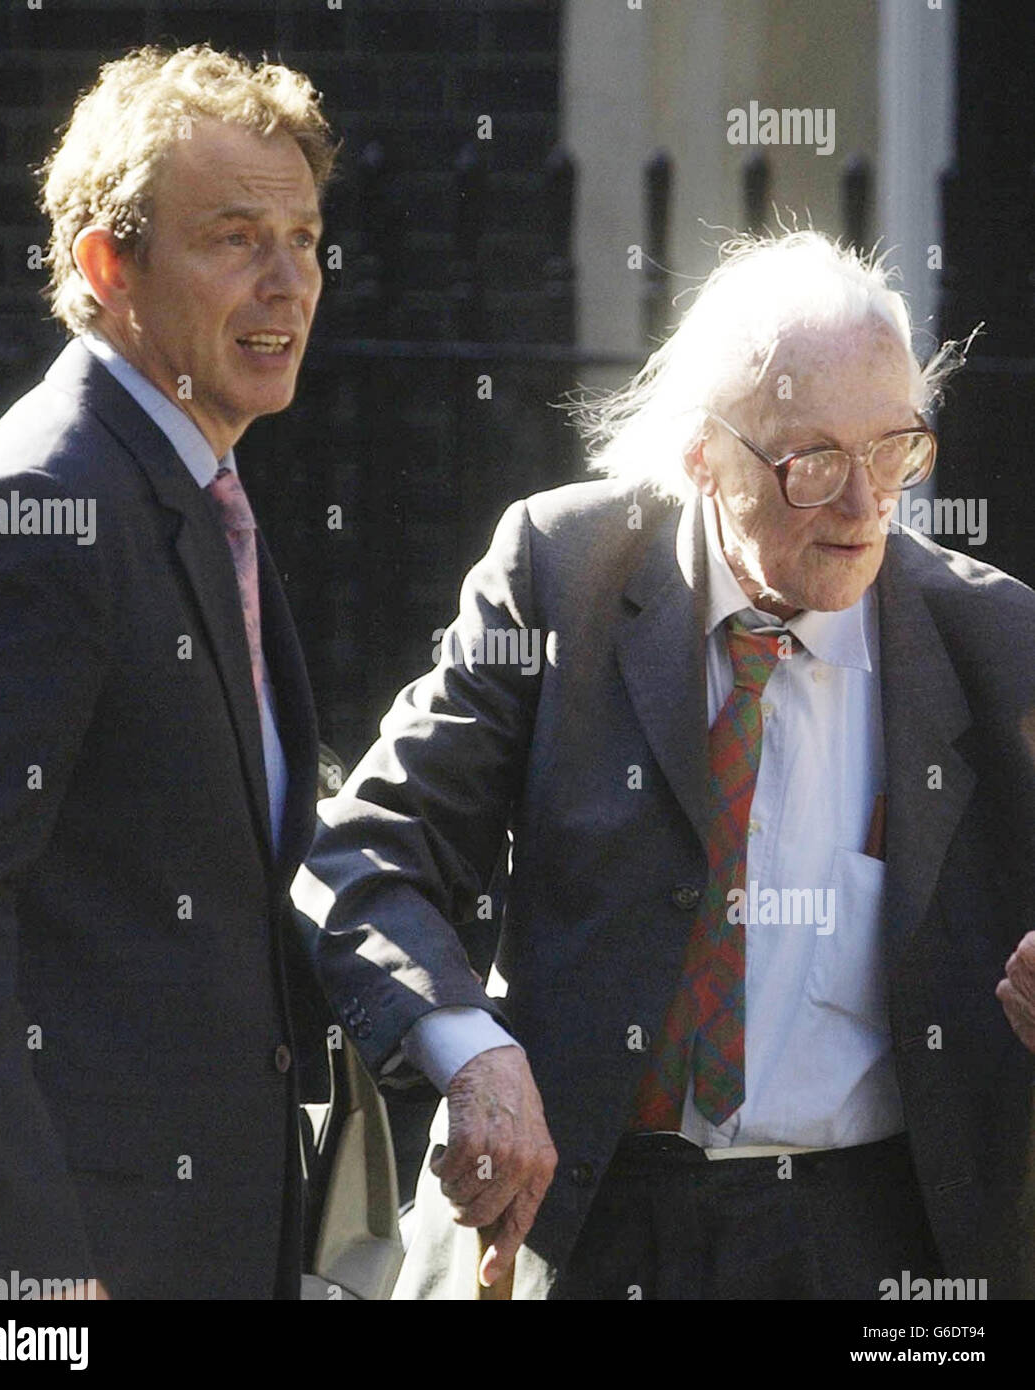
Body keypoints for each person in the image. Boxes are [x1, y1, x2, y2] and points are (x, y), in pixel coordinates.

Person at [293, 230, 1035, 1300]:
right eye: (815, 460)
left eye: (895, 451)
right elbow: (362, 861)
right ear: (701, 454)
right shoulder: (565, 575)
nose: (868, 506)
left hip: (877, 1244)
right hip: (585, 1222)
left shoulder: (995, 638)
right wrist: (470, 1053)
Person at [0, 44, 336, 1300]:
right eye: (234, 237)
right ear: (110, 267)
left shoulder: (187, 481)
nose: (288, 282)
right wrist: (36, 1278)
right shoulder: (45, 505)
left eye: (306, 237)